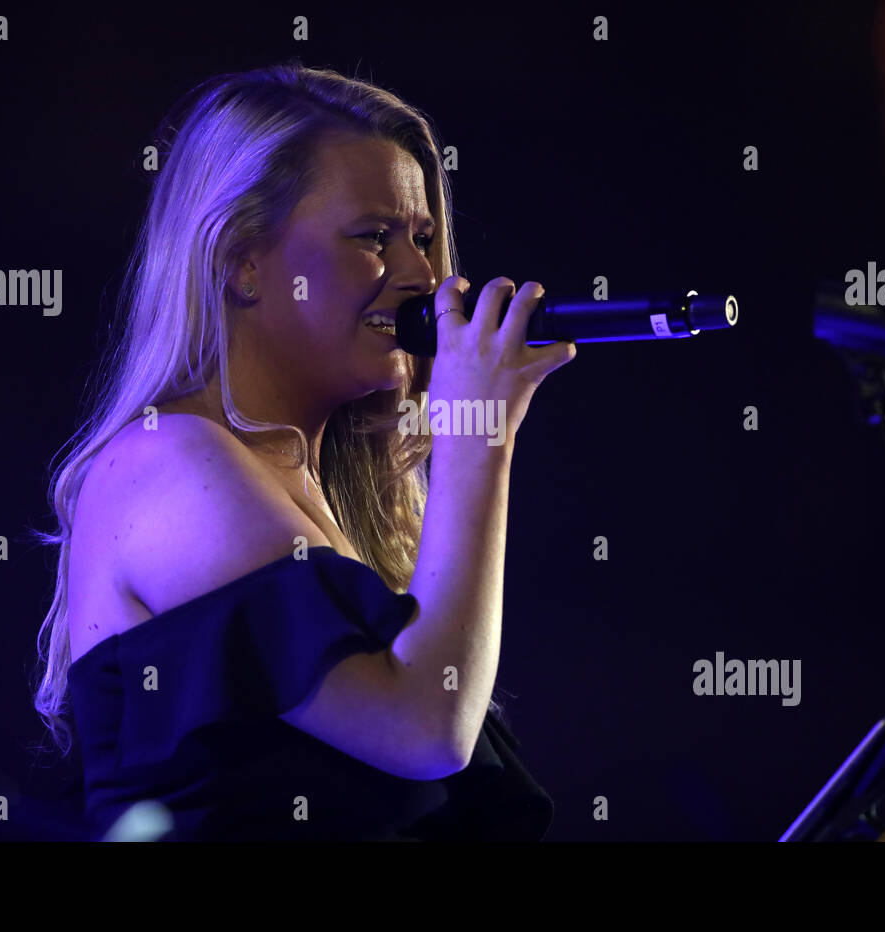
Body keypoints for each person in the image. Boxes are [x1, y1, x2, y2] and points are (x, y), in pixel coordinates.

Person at [31, 62, 576, 841]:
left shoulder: (331, 502)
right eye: (373, 238)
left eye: (423, 238)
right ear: (242, 263)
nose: (423, 275)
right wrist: (479, 437)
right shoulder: (167, 464)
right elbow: (426, 726)